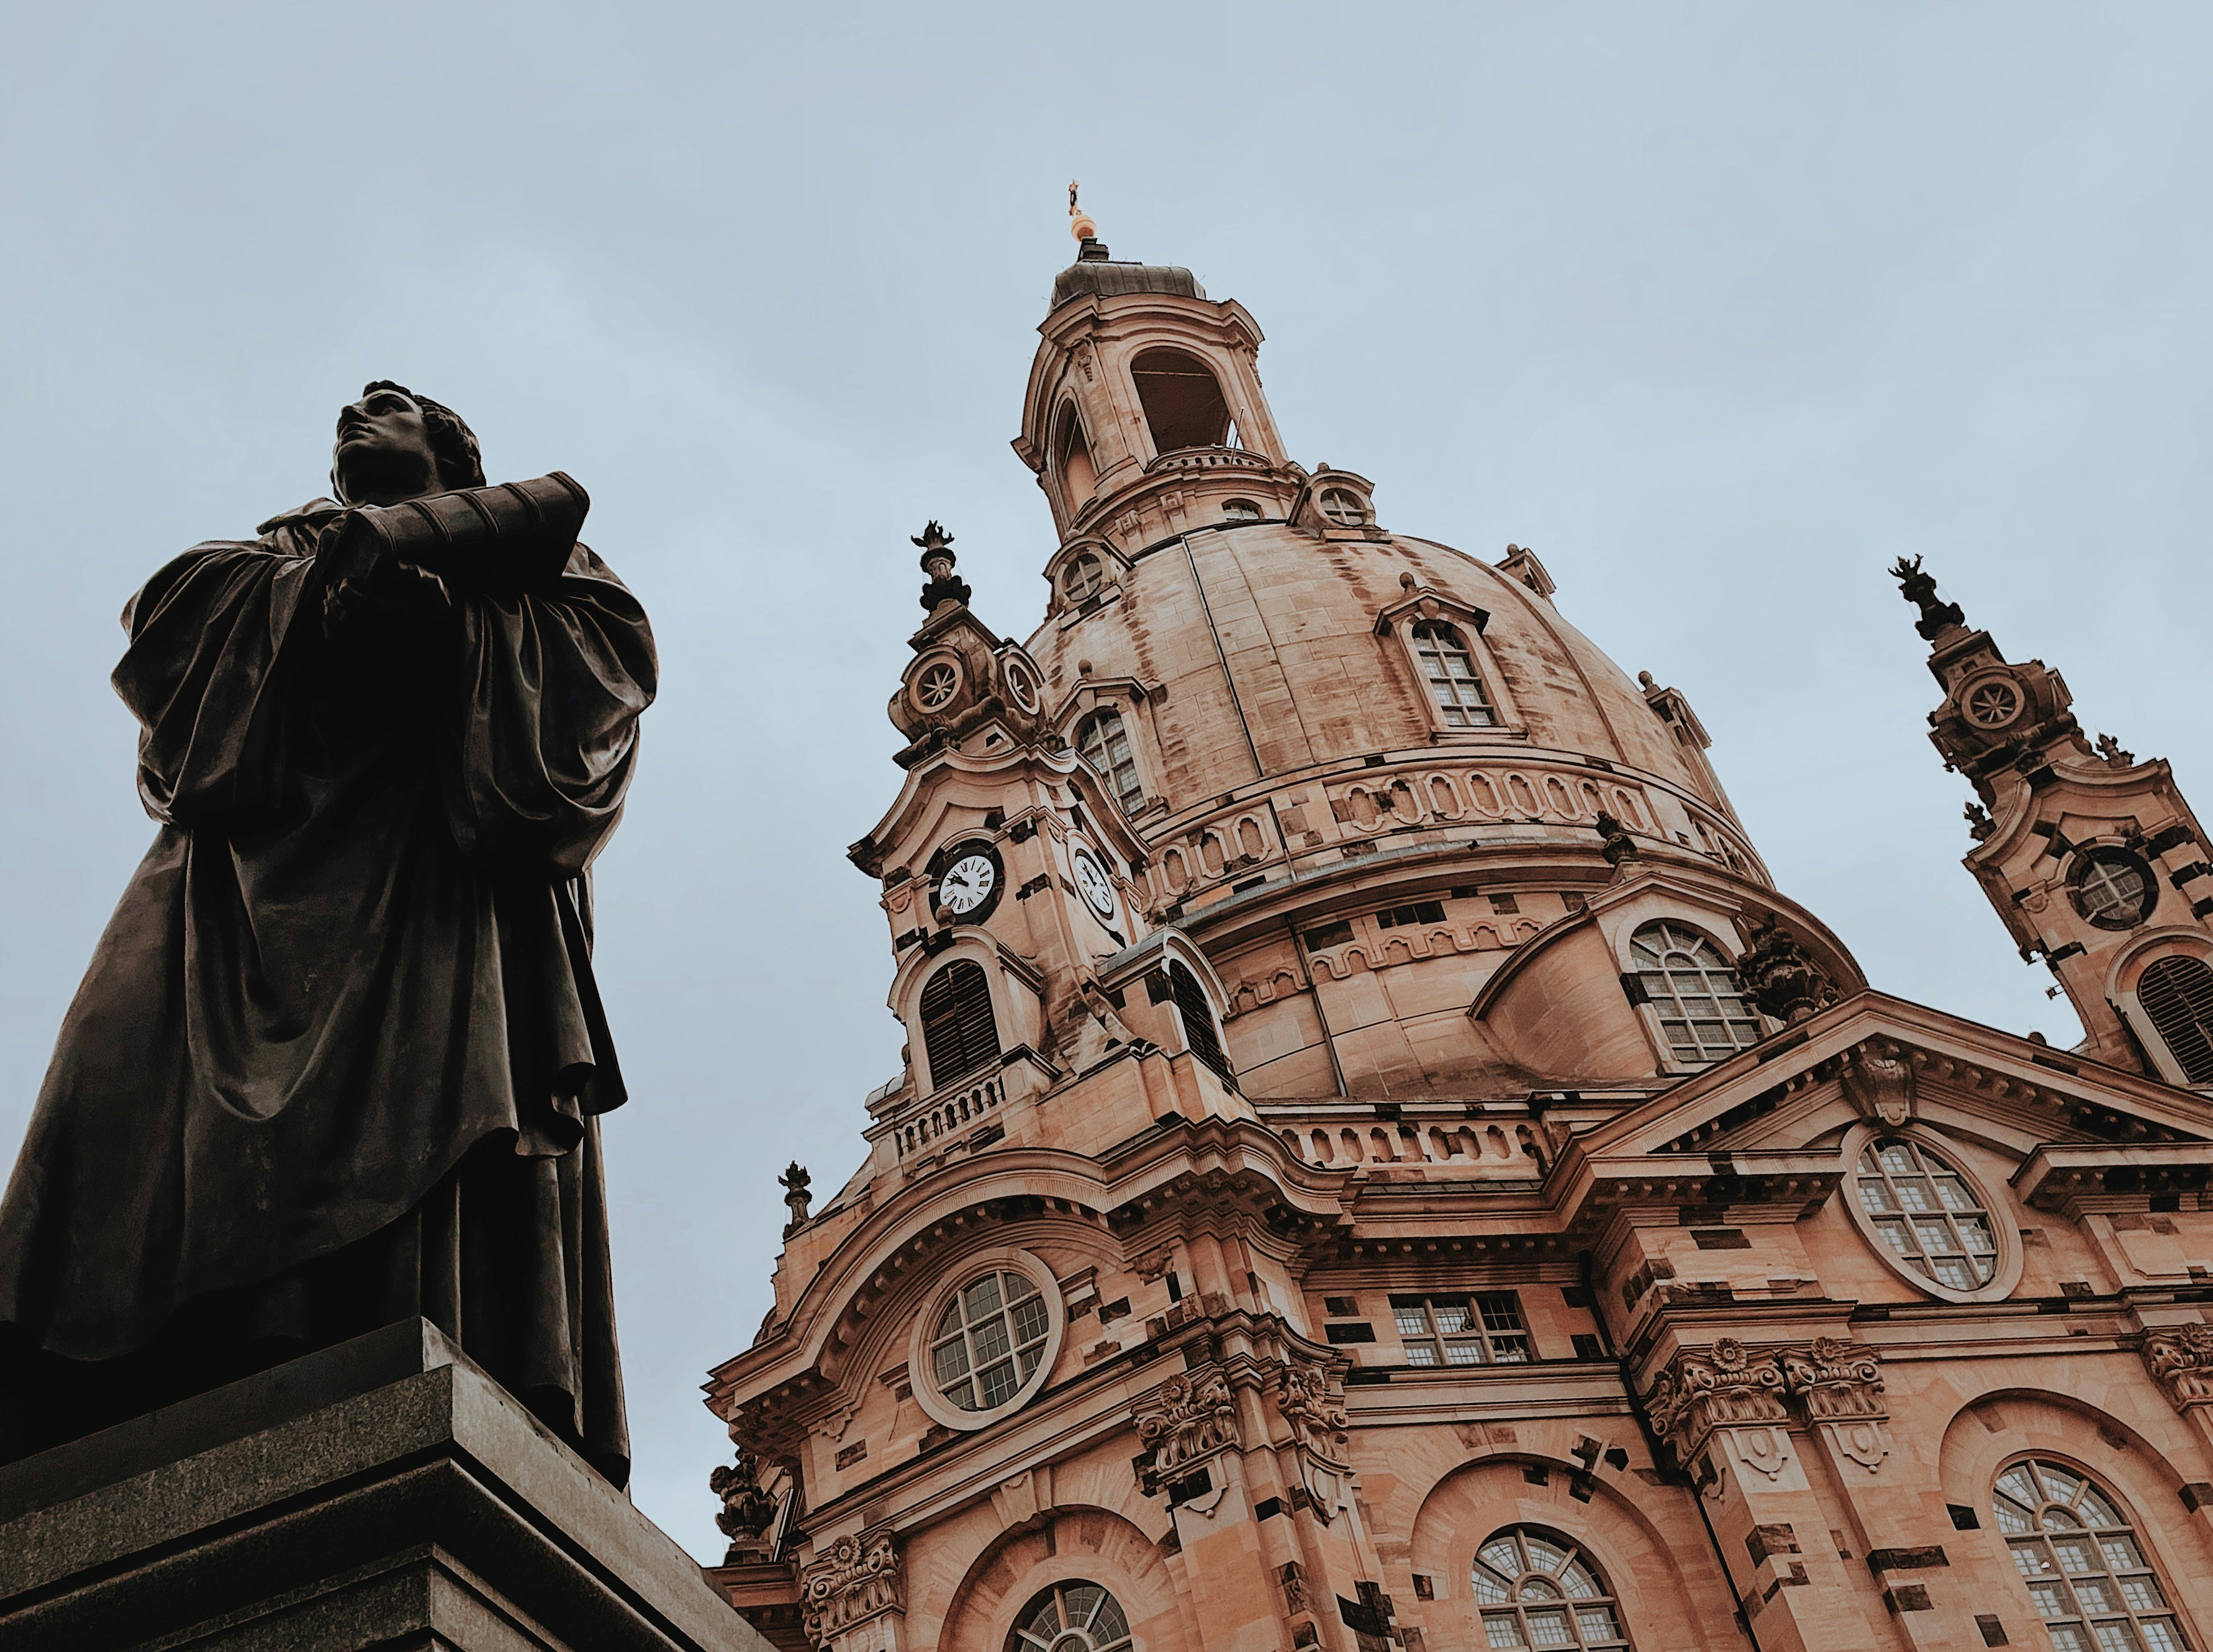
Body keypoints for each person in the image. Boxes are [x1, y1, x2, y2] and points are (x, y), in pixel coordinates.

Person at [0, 383, 655, 1484]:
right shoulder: (258, 562)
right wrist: (326, 592)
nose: (356, 413)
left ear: (450, 448)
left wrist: (447, 614)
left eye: (388, 404)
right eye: (350, 409)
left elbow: (597, 691)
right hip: (232, 901)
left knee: (419, 1141)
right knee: (109, 1090)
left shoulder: (545, 567)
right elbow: (173, 657)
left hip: (433, 888)